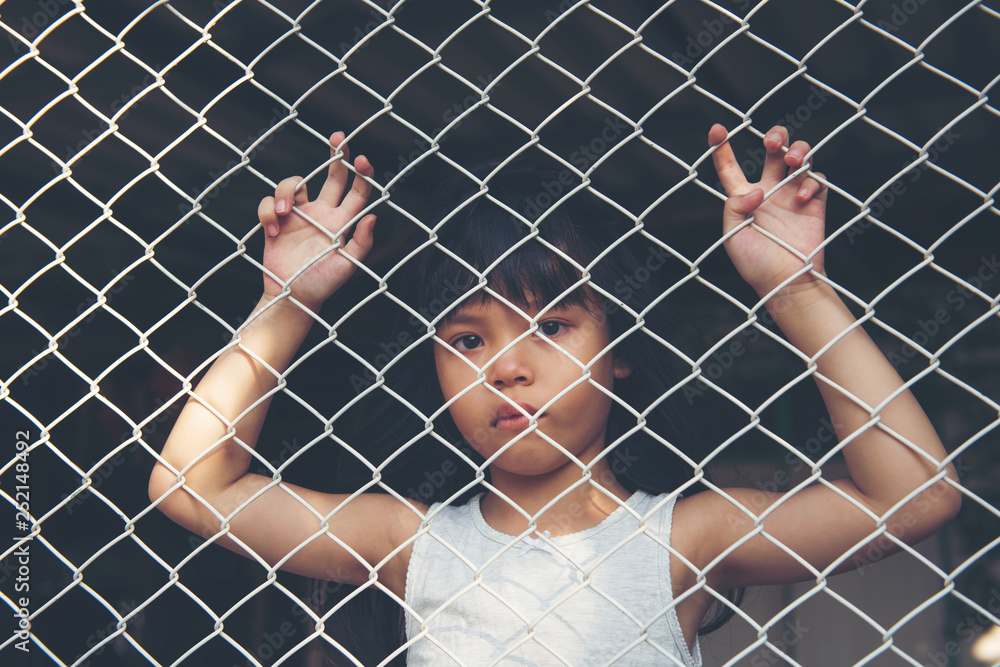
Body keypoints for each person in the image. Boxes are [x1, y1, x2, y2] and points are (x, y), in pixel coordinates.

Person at [149, 126, 961, 666]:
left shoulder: (682, 536)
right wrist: (284, 301)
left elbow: (915, 495)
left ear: (618, 358)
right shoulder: (410, 541)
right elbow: (193, 485)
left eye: (552, 324)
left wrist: (797, 288)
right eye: (468, 339)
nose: (505, 366)